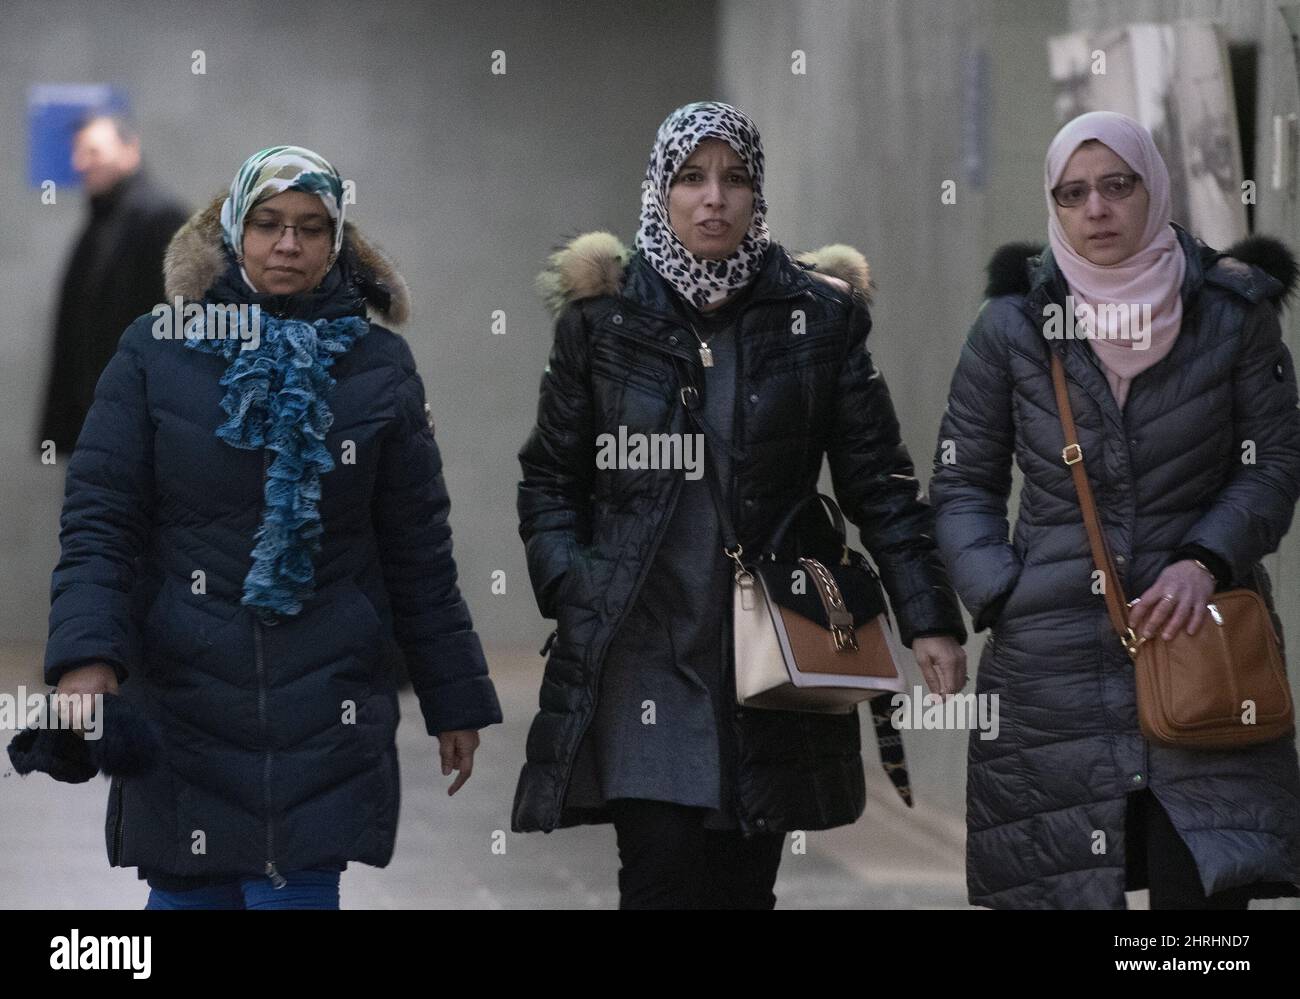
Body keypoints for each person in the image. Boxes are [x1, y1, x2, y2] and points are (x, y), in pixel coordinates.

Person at [512, 101, 967, 909]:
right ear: (661, 191)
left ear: (759, 197)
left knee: (741, 888)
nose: (713, 198)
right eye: (692, 178)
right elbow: (551, 478)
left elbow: (879, 482)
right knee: (657, 872)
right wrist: (573, 585)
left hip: (768, 652)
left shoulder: (818, 319)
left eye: (736, 179)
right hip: (641, 646)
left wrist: (927, 614)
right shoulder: (603, 323)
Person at [45, 145, 501, 910]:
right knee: (190, 893)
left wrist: (454, 698)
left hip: (326, 700)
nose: (288, 244)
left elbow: (417, 549)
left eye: (311, 228)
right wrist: (85, 656)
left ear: (335, 243)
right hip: (187, 695)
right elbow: (101, 523)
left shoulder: (379, 367)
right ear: (233, 233)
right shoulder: (155, 353)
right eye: (268, 224)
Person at [930, 110, 1300, 909]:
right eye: (1073, 194)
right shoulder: (1013, 328)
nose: (1096, 208)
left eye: (1116, 186)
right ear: (1054, 208)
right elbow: (962, 480)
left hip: (1201, 649)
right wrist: (1001, 591)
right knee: (1062, 886)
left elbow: (1274, 464)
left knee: (1200, 916)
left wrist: (1207, 560)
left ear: (1152, 188)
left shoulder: (1232, 316)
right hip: (1050, 672)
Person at [37, 112, 189, 456]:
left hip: (136, 418)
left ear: (129, 149)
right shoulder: (106, 218)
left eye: (93, 151)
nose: (80, 163)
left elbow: (178, 324)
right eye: (77, 152)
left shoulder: (159, 217)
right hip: (108, 412)